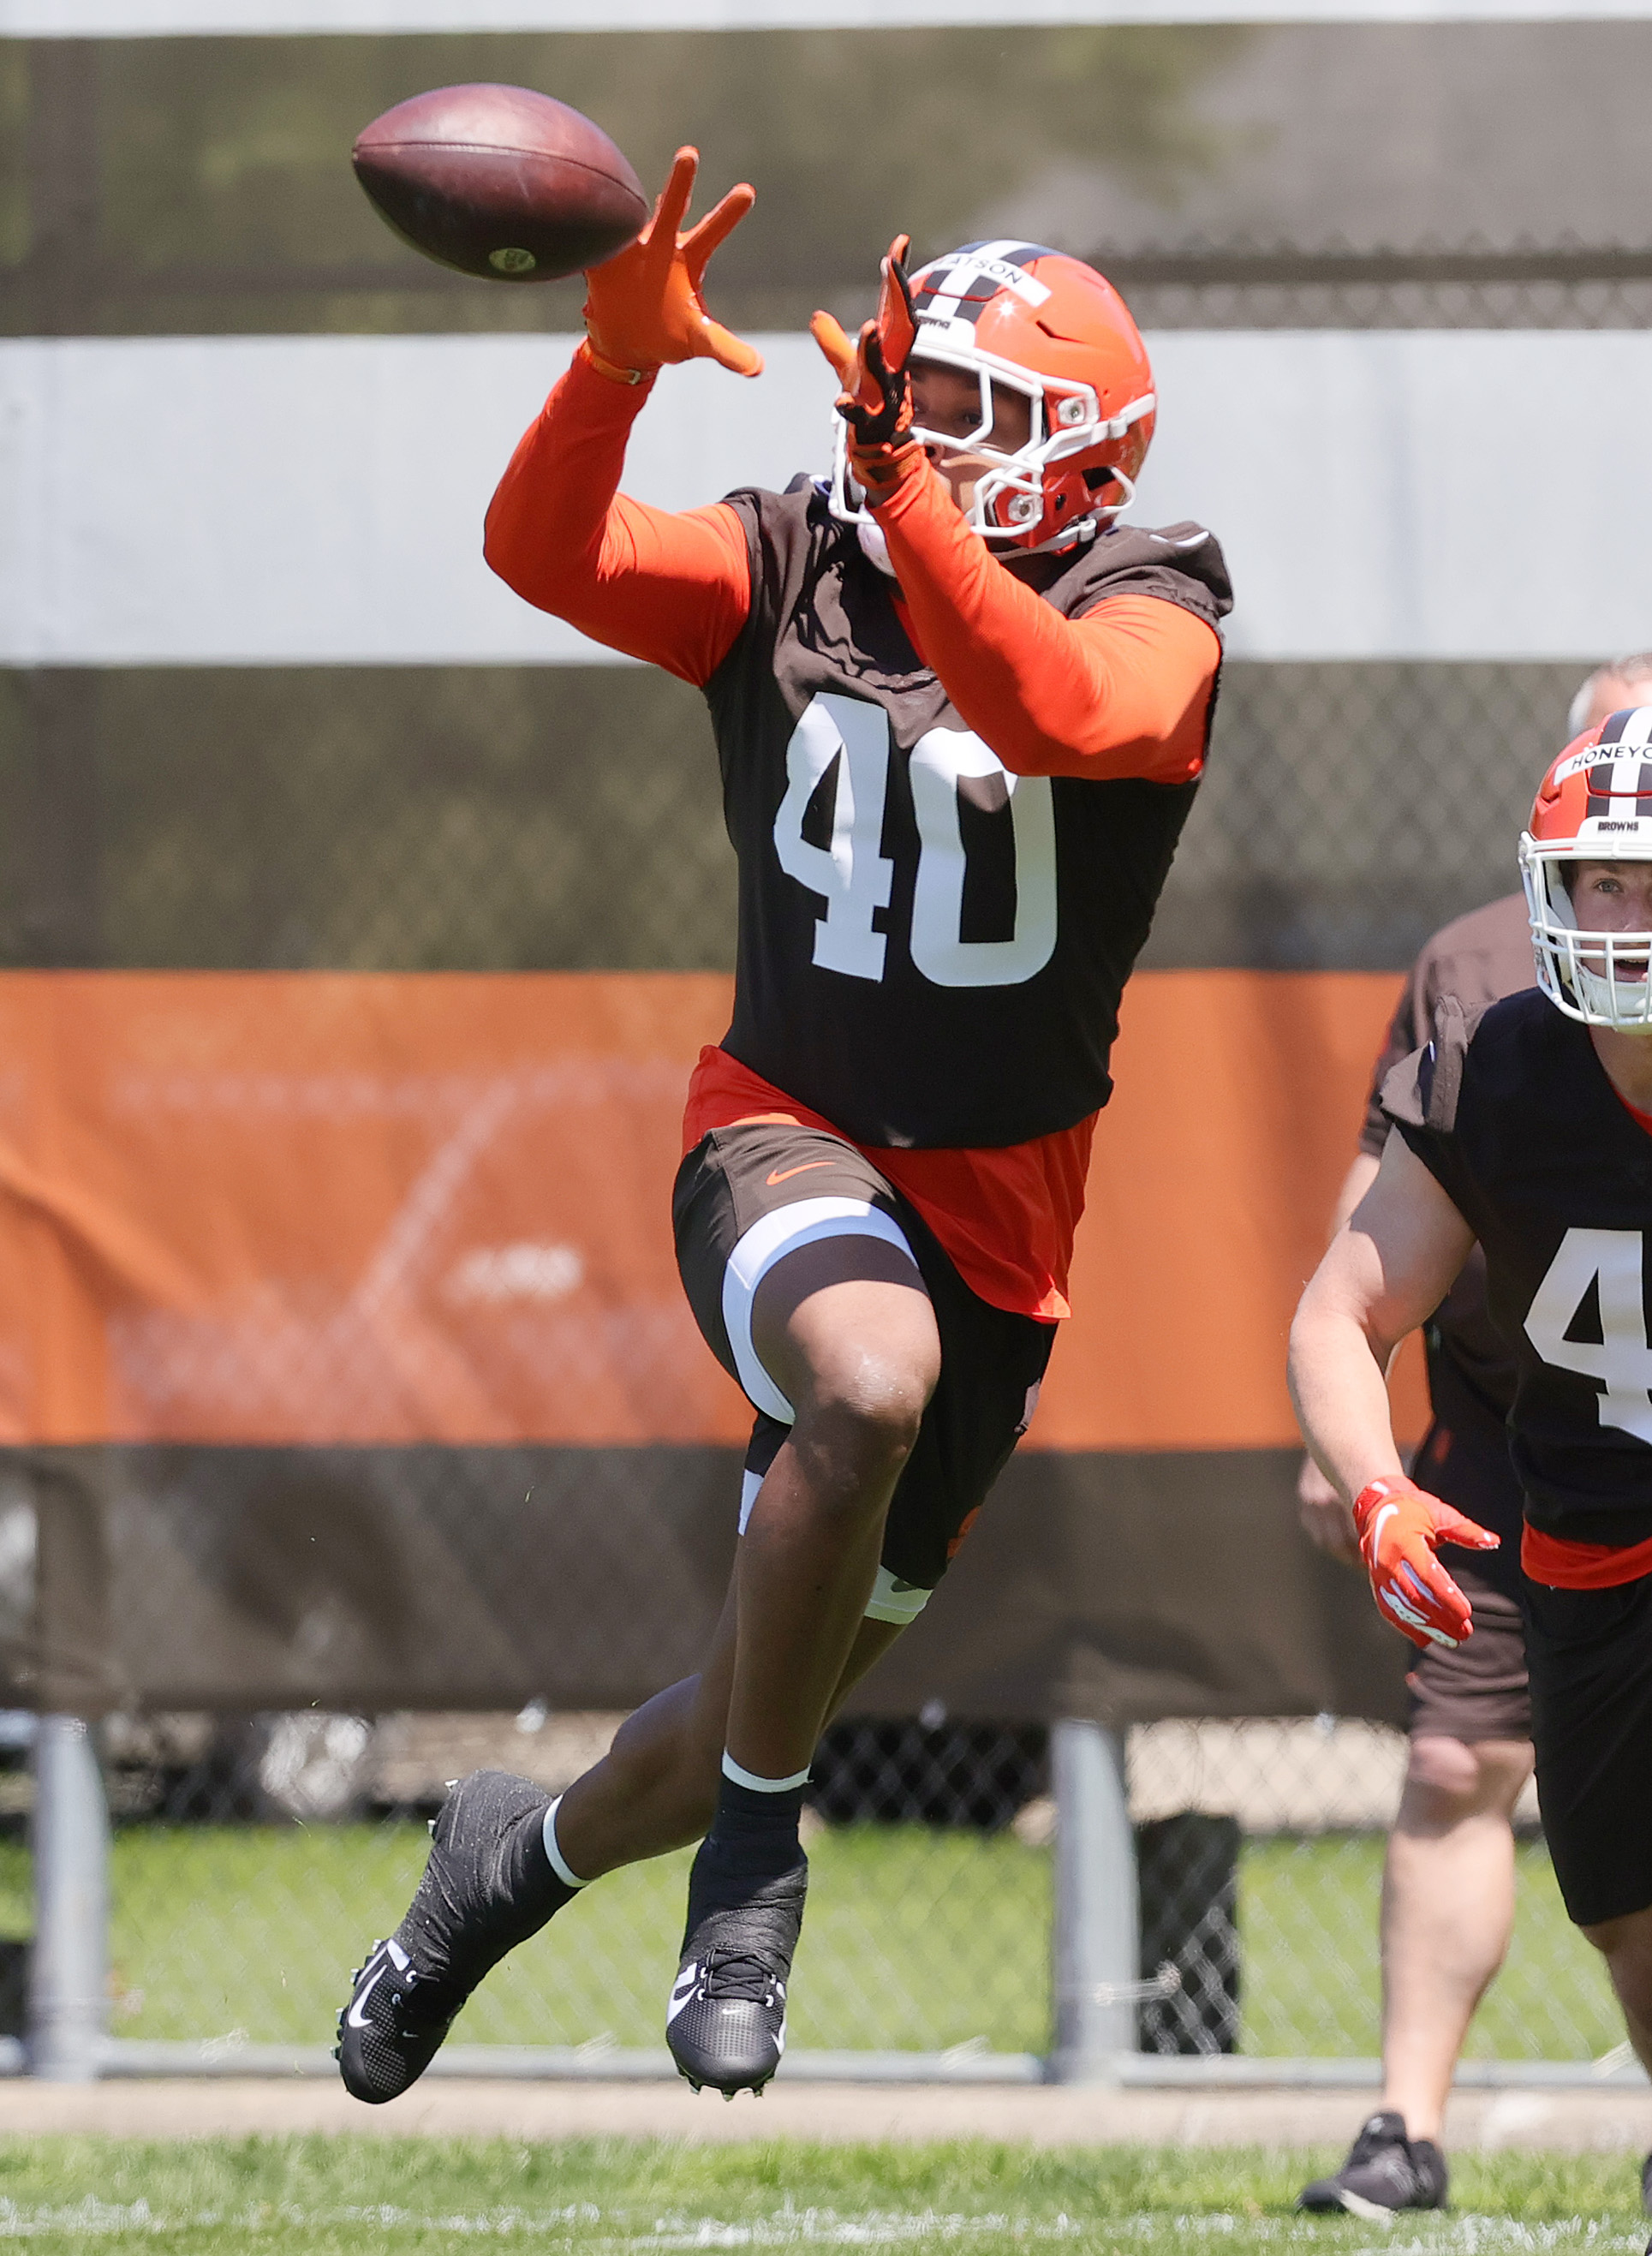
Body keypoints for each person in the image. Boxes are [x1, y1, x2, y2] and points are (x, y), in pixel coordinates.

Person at [334, 150, 1229, 2104]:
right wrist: (608, 366)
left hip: (998, 1228)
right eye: (919, 396)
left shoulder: (1155, 597)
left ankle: (501, 1868)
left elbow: (1062, 711)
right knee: (866, 1376)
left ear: (1083, 451)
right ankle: (752, 1877)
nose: (925, 432)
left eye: (975, 408)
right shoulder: (791, 555)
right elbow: (545, 553)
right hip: (783, 1130)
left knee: (751, 1699)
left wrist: (911, 499)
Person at [1290, 706, 1652, 2241]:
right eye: (1597, 881)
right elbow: (1339, 1312)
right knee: (1623, 1903)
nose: (1619, 918)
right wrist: (1374, 1483)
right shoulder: (1503, 1062)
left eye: (1650, 882)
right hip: (1583, 1530)